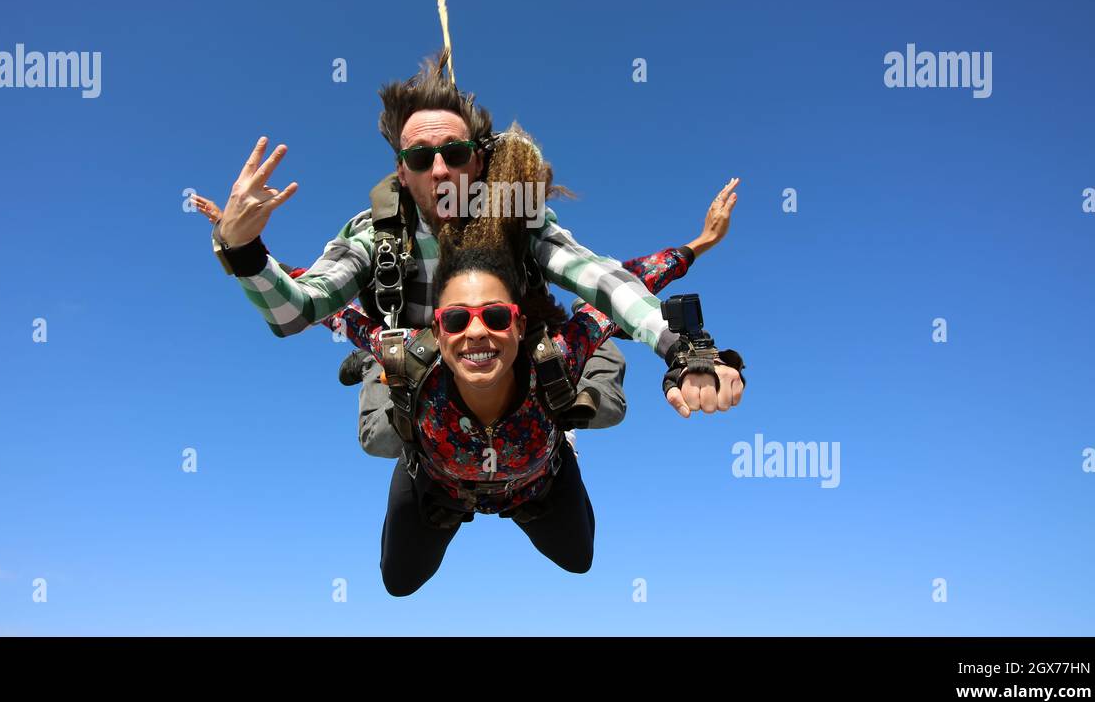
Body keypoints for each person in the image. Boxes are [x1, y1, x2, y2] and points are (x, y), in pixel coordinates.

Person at [199, 49, 744, 449]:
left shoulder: (515, 217)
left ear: (477, 164)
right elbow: (299, 308)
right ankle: (382, 373)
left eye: (454, 152)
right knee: (382, 437)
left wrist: (678, 346)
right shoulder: (375, 232)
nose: (439, 170)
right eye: (419, 158)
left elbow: (601, 276)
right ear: (401, 172)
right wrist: (244, 250)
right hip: (420, 355)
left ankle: (549, 434)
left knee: (606, 405)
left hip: (510, 355)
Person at [326, 217, 743, 595]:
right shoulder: (413, 357)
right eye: (455, 320)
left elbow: (626, 288)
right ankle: (372, 367)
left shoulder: (556, 356)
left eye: (496, 317)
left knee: (579, 556)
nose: (475, 333)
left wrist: (691, 351)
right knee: (397, 575)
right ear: (438, 329)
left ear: (519, 322)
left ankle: (588, 366)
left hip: (532, 483)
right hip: (439, 485)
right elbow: (331, 311)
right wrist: (257, 253)